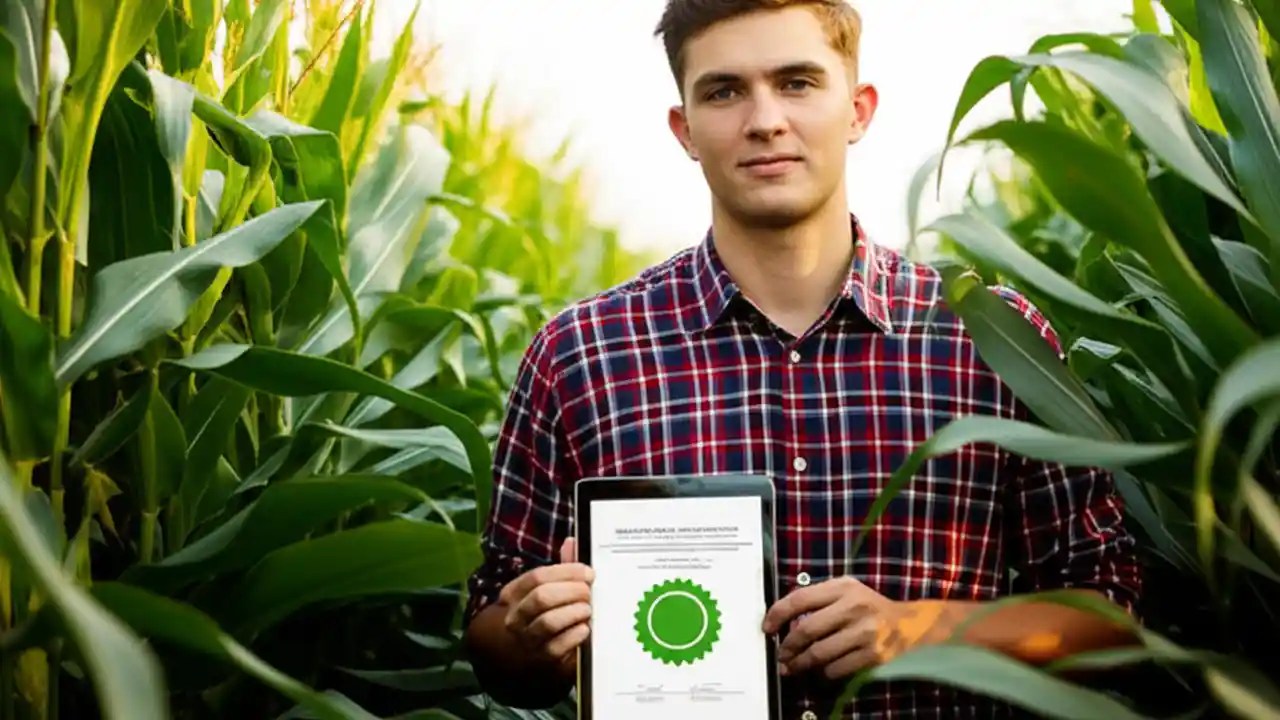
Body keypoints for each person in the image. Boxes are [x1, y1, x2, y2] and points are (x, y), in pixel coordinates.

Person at [461, 1, 1142, 717]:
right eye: (724, 91)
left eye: (797, 82)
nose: (764, 120)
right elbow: (494, 644)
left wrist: (919, 629)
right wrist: (531, 632)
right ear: (684, 129)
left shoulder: (992, 340)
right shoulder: (583, 355)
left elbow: (1108, 613)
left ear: (858, 109)